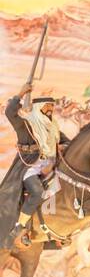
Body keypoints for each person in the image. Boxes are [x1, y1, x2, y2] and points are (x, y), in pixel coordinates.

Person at [4, 80, 70, 249]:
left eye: (52, 107)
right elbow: (10, 112)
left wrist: (65, 146)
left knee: (66, 191)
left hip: (51, 166)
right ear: (38, 108)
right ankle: (19, 228)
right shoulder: (27, 124)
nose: (50, 110)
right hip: (30, 166)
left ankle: (53, 233)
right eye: (47, 107)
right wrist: (20, 93)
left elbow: (67, 142)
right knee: (38, 192)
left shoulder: (53, 126)